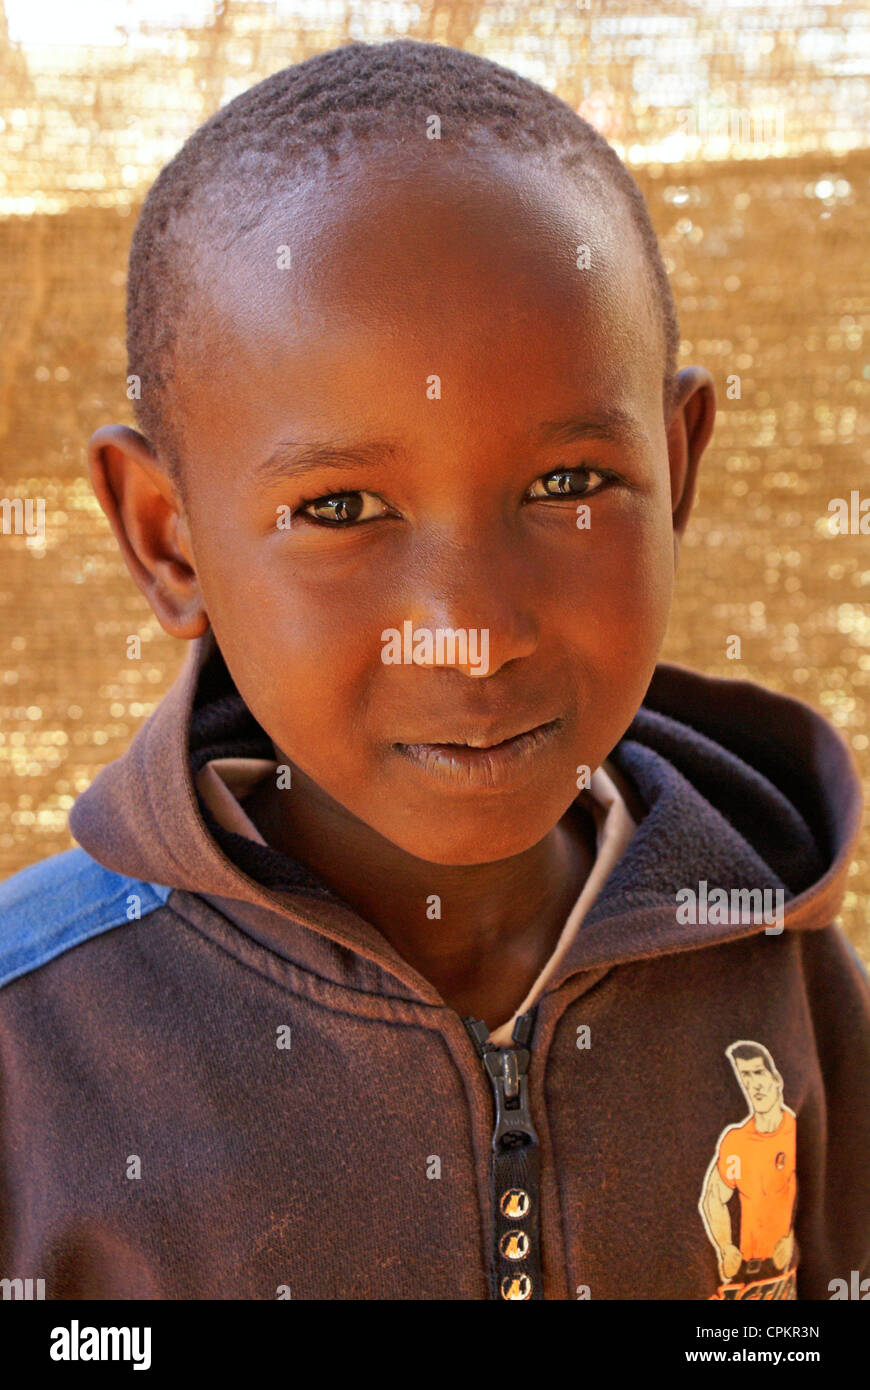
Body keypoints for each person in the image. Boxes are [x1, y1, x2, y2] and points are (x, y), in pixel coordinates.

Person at [1, 38, 867, 1301]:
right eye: (345, 506)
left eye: (569, 486)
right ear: (166, 539)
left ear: (676, 468)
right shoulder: (36, 1054)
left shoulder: (786, 982)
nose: (472, 627)